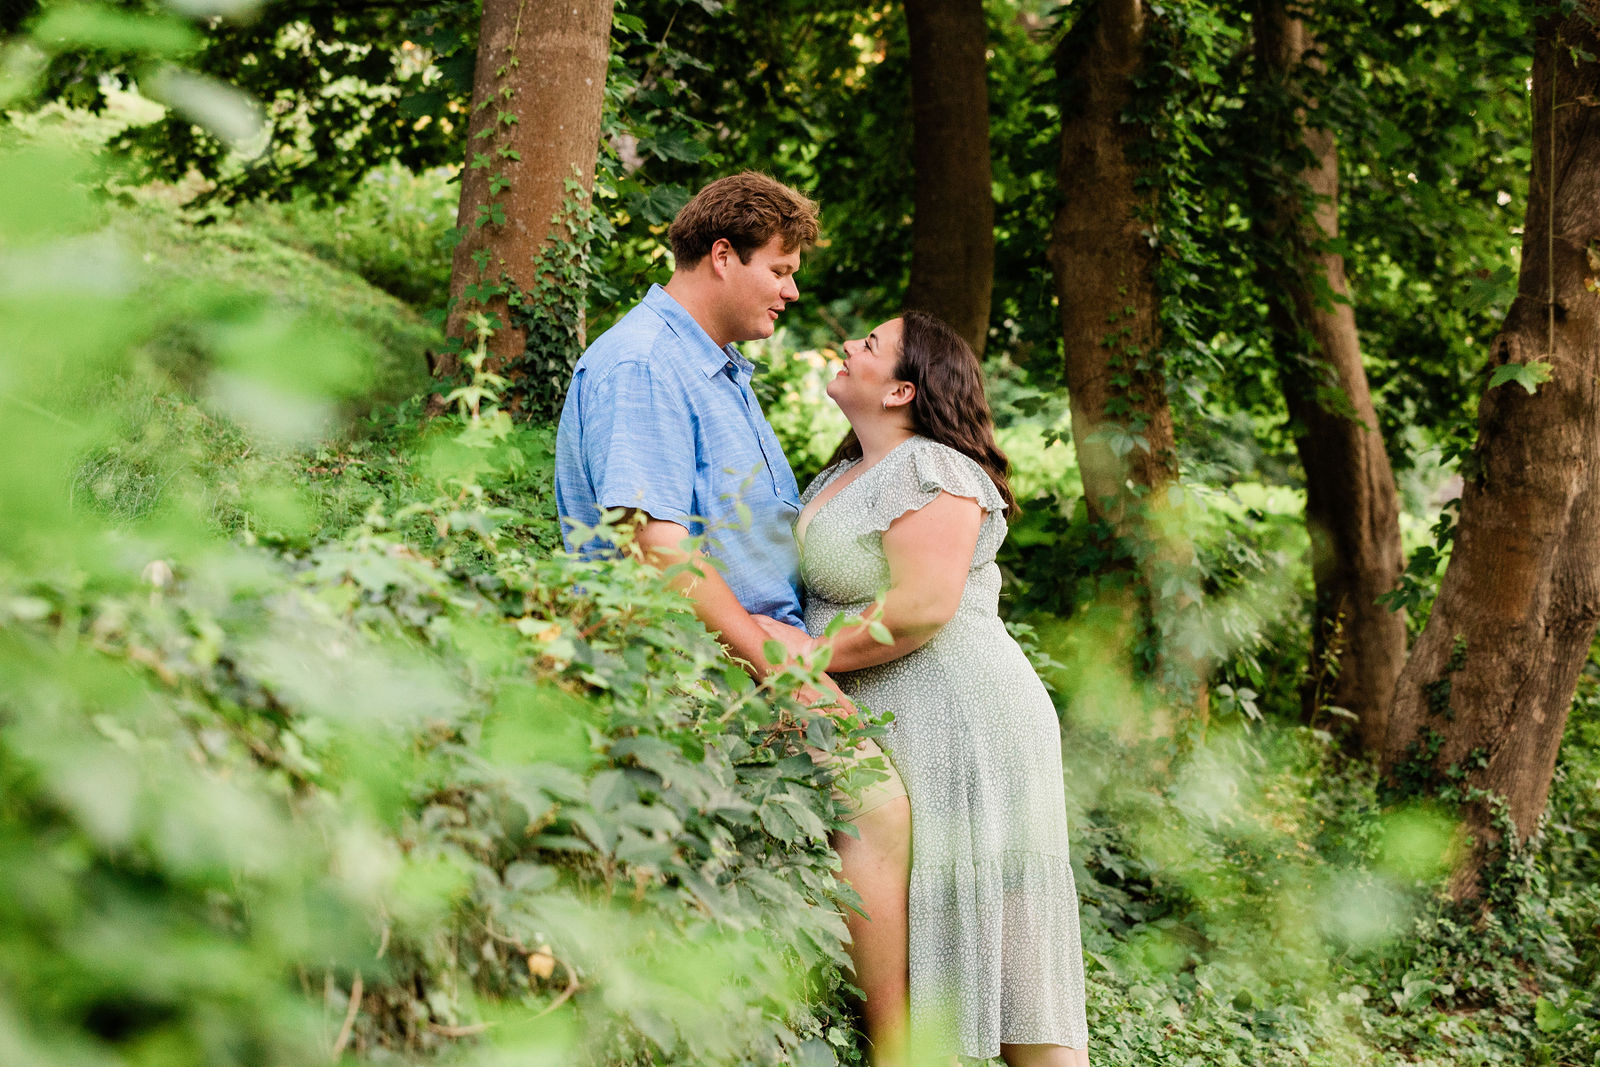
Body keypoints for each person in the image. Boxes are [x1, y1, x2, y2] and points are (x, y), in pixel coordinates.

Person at [552, 173, 914, 1063]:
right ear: (723, 255)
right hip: (692, 655)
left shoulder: (715, 368)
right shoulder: (644, 364)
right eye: (781, 269)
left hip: (750, 644)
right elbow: (658, 550)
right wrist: (775, 660)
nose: (793, 291)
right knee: (876, 799)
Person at [757, 310, 1091, 1067]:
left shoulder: (933, 468)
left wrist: (807, 656)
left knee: (1018, 972)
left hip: (969, 719)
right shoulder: (843, 474)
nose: (847, 344)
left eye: (869, 344)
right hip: (901, 719)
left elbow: (921, 606)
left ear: (904, 389)